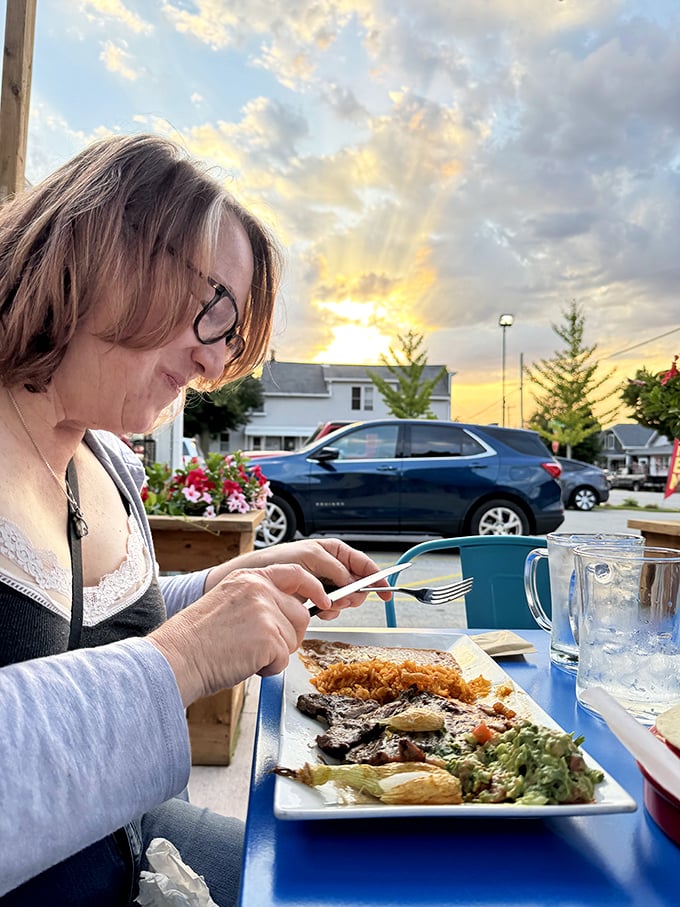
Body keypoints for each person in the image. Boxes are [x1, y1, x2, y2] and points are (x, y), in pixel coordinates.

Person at [0, 134, 391, 905]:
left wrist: (220, 587)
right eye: (214, 310)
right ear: (105, 243)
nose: (214, 365)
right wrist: (182, 659)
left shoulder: (102, 457)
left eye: (232, 334)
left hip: (138, 842)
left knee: (374, 875)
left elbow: (87, 625)